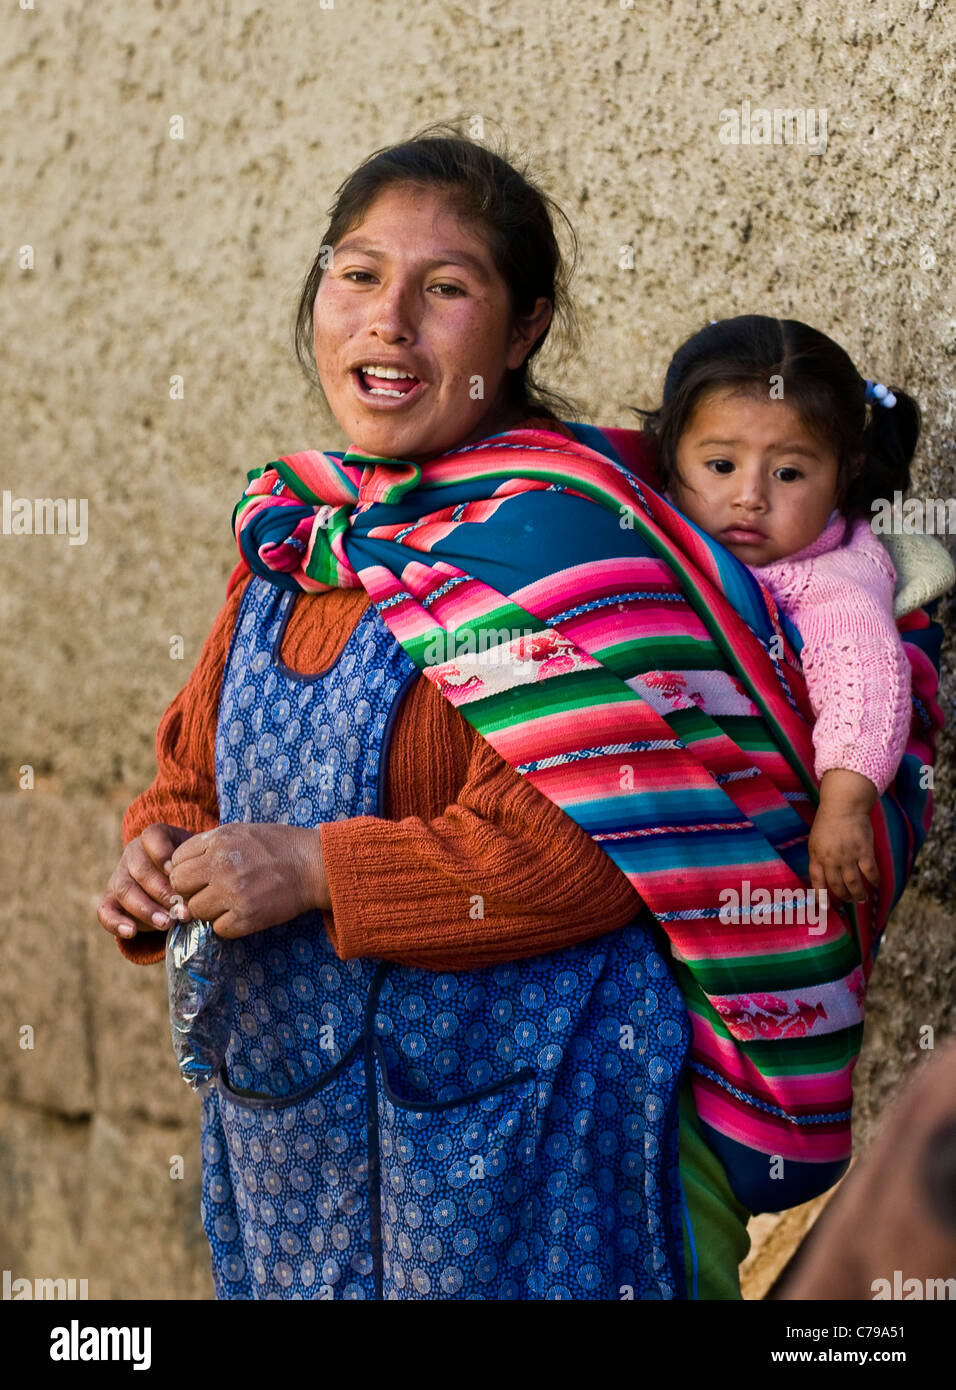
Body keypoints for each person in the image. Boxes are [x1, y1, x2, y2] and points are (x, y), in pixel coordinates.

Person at [96, 129, 944, 1301]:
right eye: (356, 273)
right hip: (301, 1138)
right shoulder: (296, 532)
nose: (387, 319)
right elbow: (194, 777)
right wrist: (155, 856)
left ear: (524, 327)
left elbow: (601, 849)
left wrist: (314, 868)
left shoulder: (562, 541)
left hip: (536, 1134)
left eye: (445, 288)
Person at [635, 315, 954, 908]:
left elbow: (866, 685)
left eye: (788, 473)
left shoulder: (835, 583)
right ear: (670, 451)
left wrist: (843, 809)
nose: (751, 495)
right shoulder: (654, 519)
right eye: (721, 466)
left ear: (845, 473)